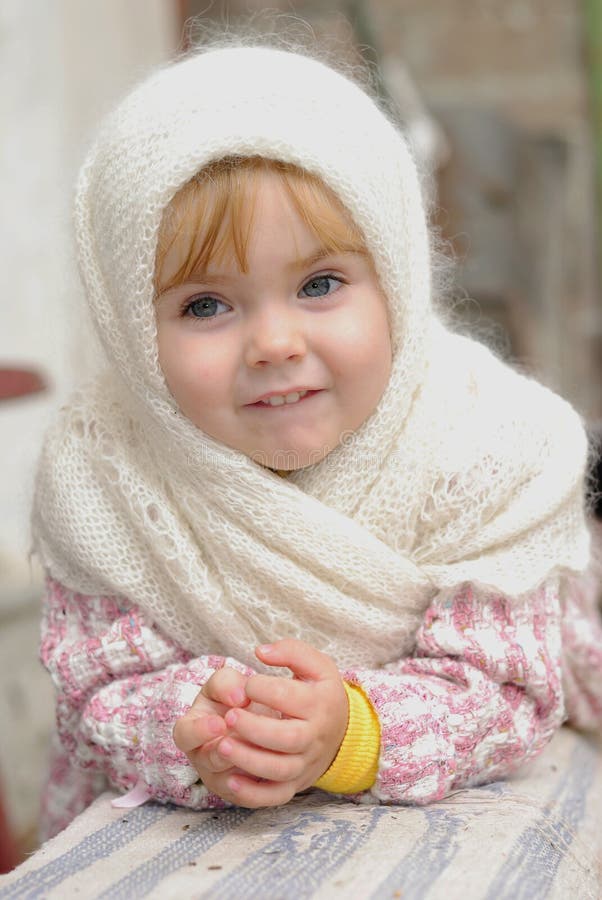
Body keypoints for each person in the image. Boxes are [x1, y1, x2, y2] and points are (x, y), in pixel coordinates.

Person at [32, 39, 602, 840]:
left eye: (320, 285)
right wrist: (201, 727)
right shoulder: (103, 472)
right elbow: (97, 693)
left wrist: (352, 732)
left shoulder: (493, 443)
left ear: (397, 275)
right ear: (130, 328)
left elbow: (509, 689)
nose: (274, 342)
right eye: (205, 305)